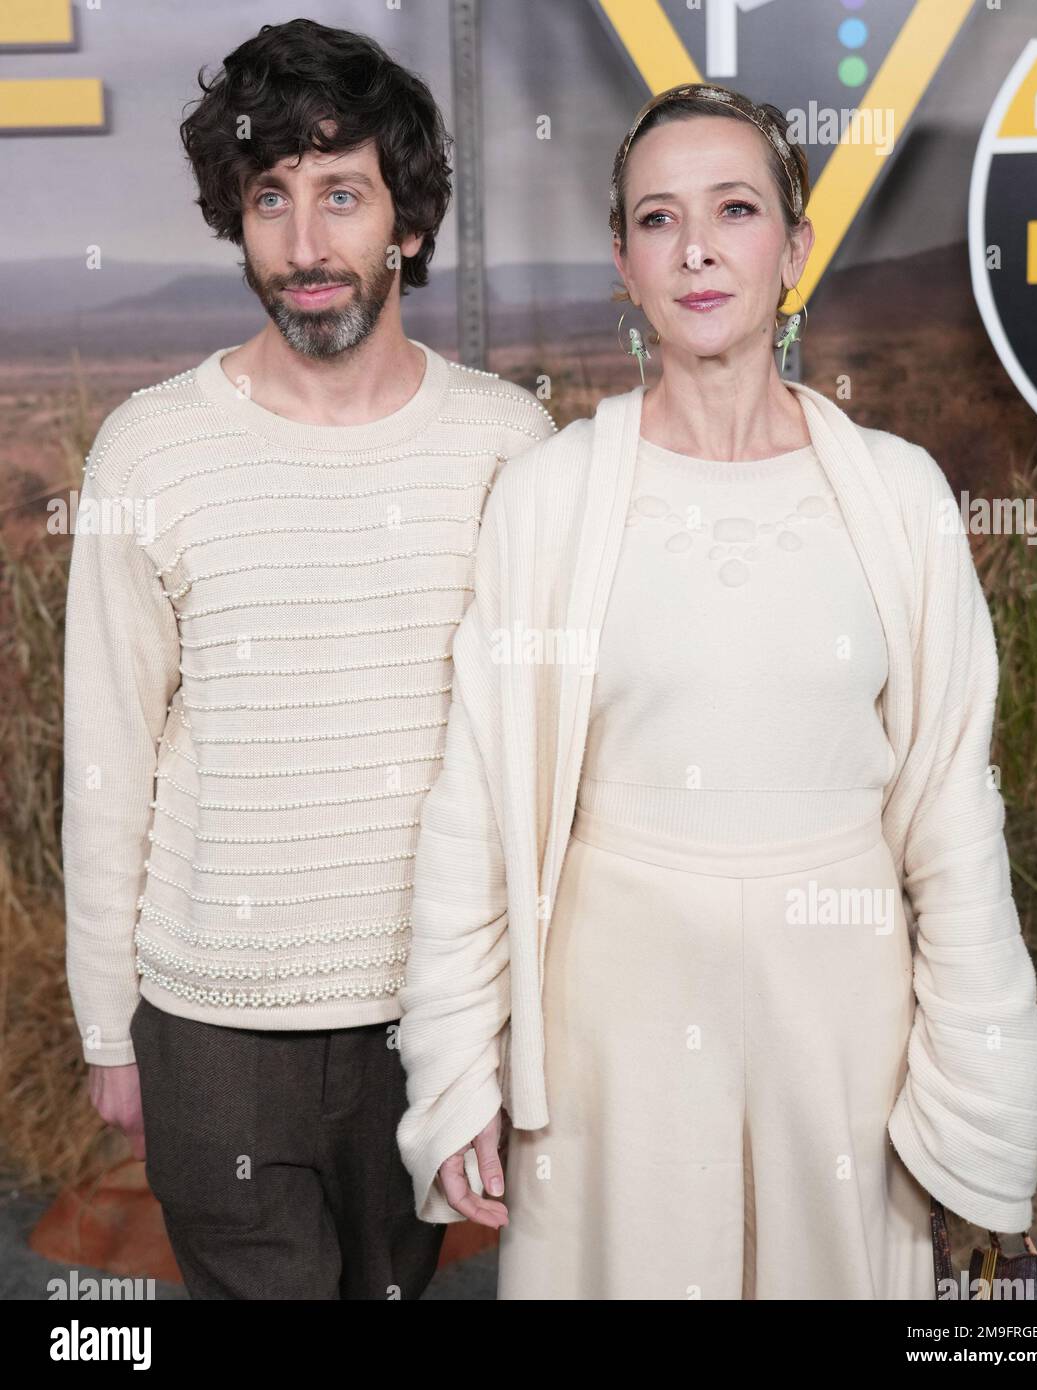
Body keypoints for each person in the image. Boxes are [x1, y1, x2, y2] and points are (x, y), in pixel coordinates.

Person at [394, 84, 1037, 1300]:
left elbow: (953, 818)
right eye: (657, 219)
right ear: (622, 264)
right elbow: (473, 809)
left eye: (733, 209)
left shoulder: (898, 499)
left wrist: (975, 1104)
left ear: (792, 249)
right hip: (610, 1030)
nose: (694, 248)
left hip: (844, 1024)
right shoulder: (549, 500)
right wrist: (453, 1071)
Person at [61, 18, 555, 1301]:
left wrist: (512, 1024)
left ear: (404, 219)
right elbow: (109, 756)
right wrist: (109, 1027)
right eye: (269, 198)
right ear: (237, 220)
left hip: (431, 1017)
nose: (305, 242)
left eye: (341, 194)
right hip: (211, 1029)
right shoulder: (149, 450)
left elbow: (543, 758)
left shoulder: (509, 446)